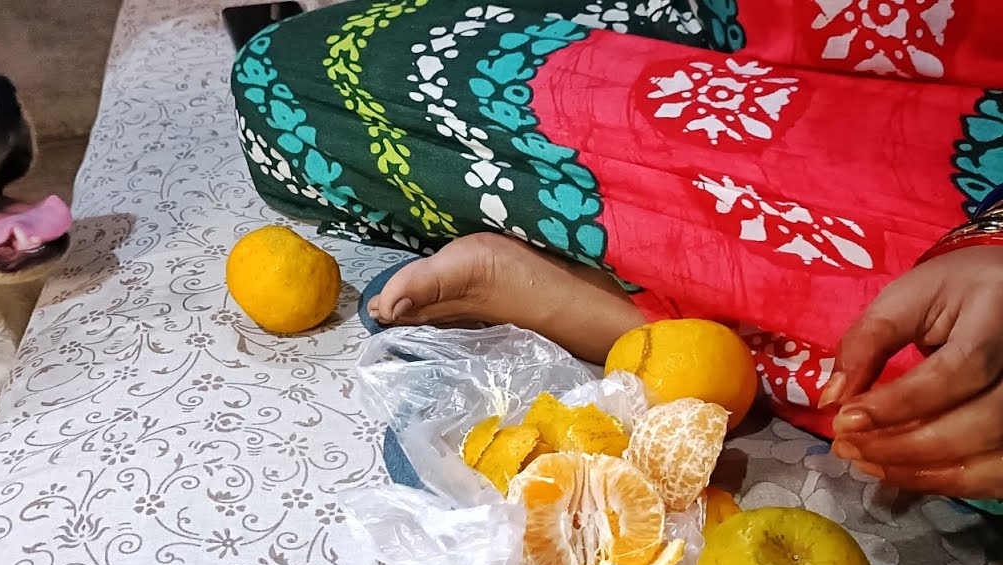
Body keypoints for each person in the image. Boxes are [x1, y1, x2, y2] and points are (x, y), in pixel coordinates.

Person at [230, 0, 1003, 503]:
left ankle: (610, 315)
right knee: (279, 80)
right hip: (757, 26)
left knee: (932, 374)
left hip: (964, 134)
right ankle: (677, 316)